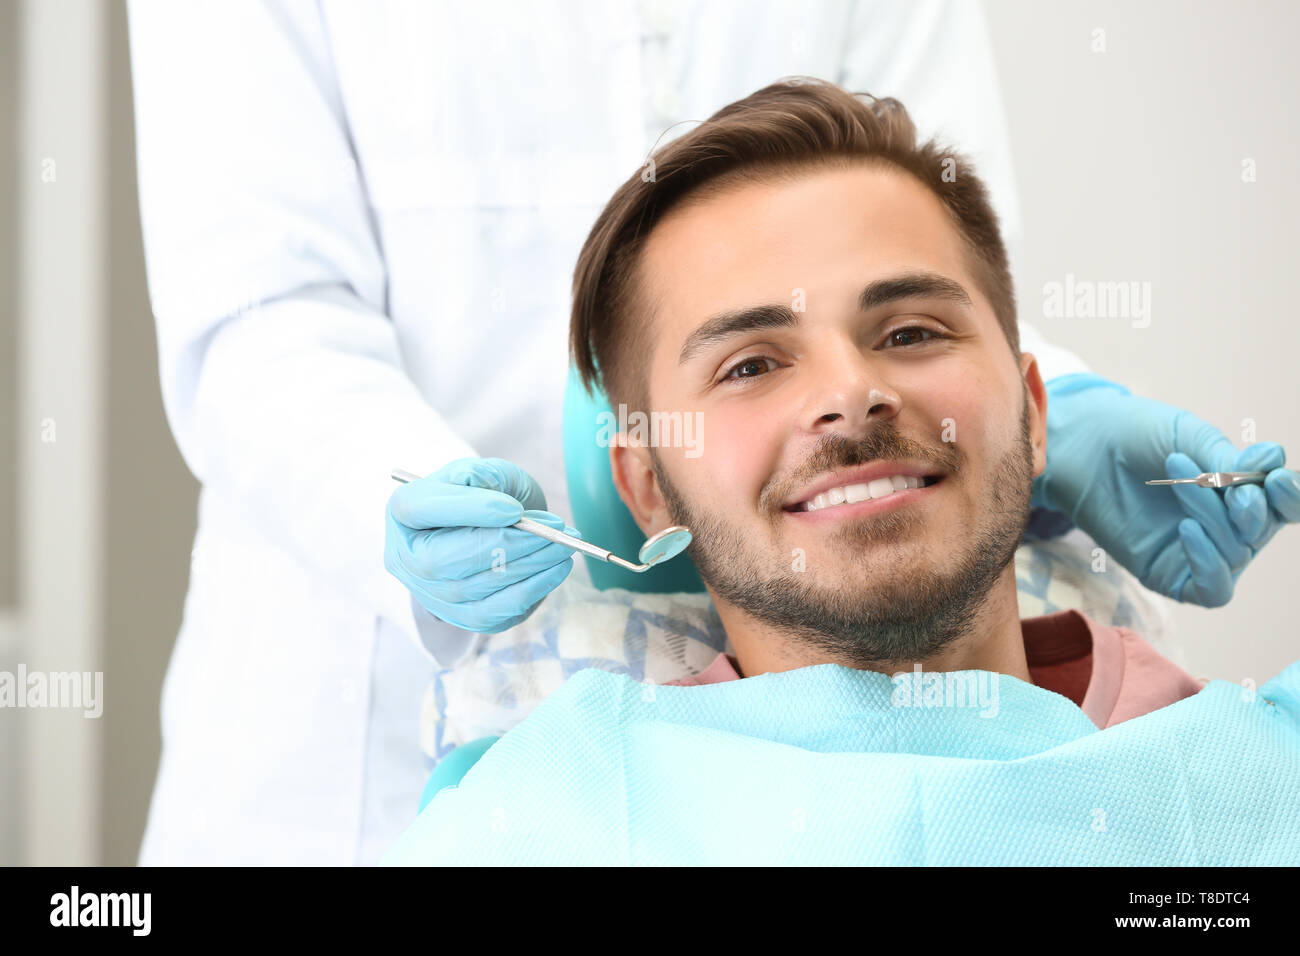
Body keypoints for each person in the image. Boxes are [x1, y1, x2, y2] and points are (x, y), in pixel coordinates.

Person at [127, 1, 1288, 865]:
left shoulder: (1250, 779)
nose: (850, 395)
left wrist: (1071, 417)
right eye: (750, 363)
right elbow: (259, 309)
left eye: (909, 334)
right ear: (644, 485)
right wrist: (390, 492)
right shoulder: (535, 822)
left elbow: (921, 218)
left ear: (1027, 401)